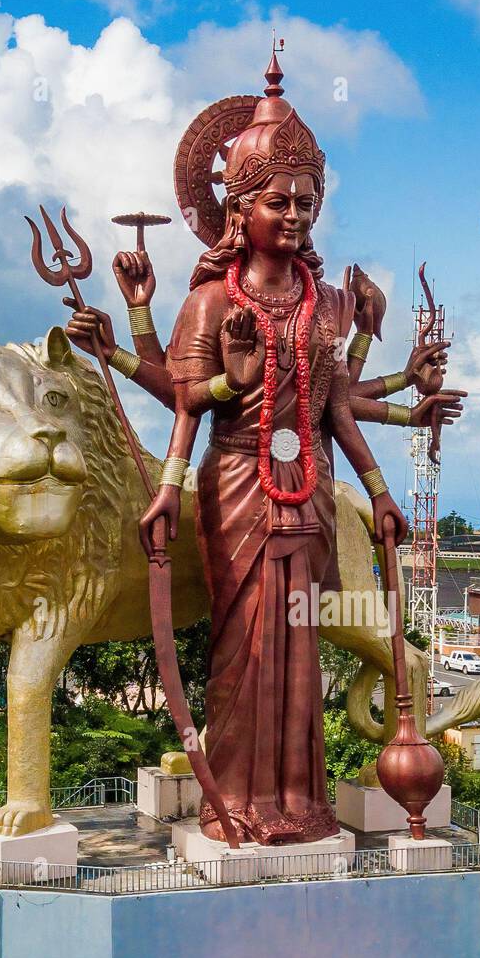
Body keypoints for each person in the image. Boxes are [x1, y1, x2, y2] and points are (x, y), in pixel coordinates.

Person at [141, 51, 408, 845]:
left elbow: (335, 408)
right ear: (239, 210)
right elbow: (185, 400)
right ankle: (239, 806)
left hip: (313, 489)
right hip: (235, 485)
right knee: (245, 650)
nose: (294, 215)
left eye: (307, 202)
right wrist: (168, 484)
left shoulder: (325, 302)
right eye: (278, 201)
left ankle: (301, 802)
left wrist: (381, 489)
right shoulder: (210, 300)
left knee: (300, 654)